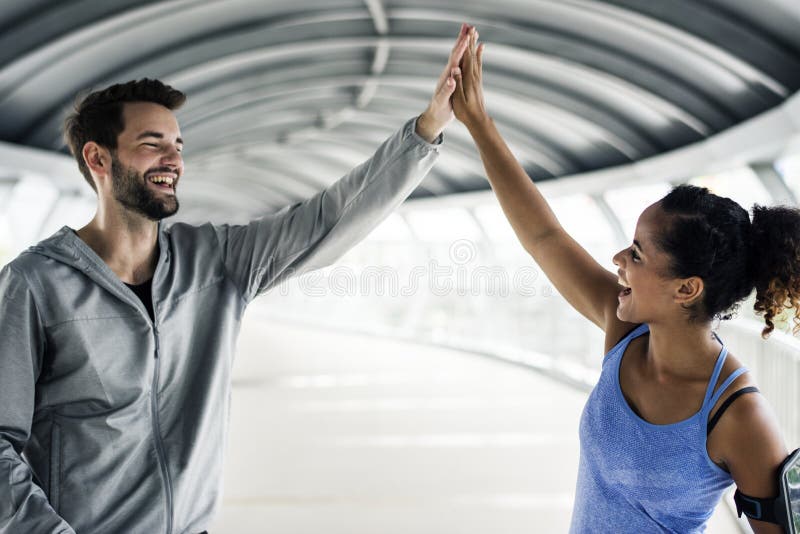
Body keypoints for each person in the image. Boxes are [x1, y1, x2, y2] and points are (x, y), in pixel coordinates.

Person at [0, 24, 472, 534]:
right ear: (98, 158)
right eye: (152, 144)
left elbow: (328, 219)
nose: (174, 160)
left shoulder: (216, 260)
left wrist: (427, 128)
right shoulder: (34, 285)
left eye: (178, 146)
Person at [451, 26, 799, 533]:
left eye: (636, 253)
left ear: (687, 288)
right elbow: (544, 235)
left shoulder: (738, 417)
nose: (618, 259)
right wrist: (478, 123)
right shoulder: (627, 335)